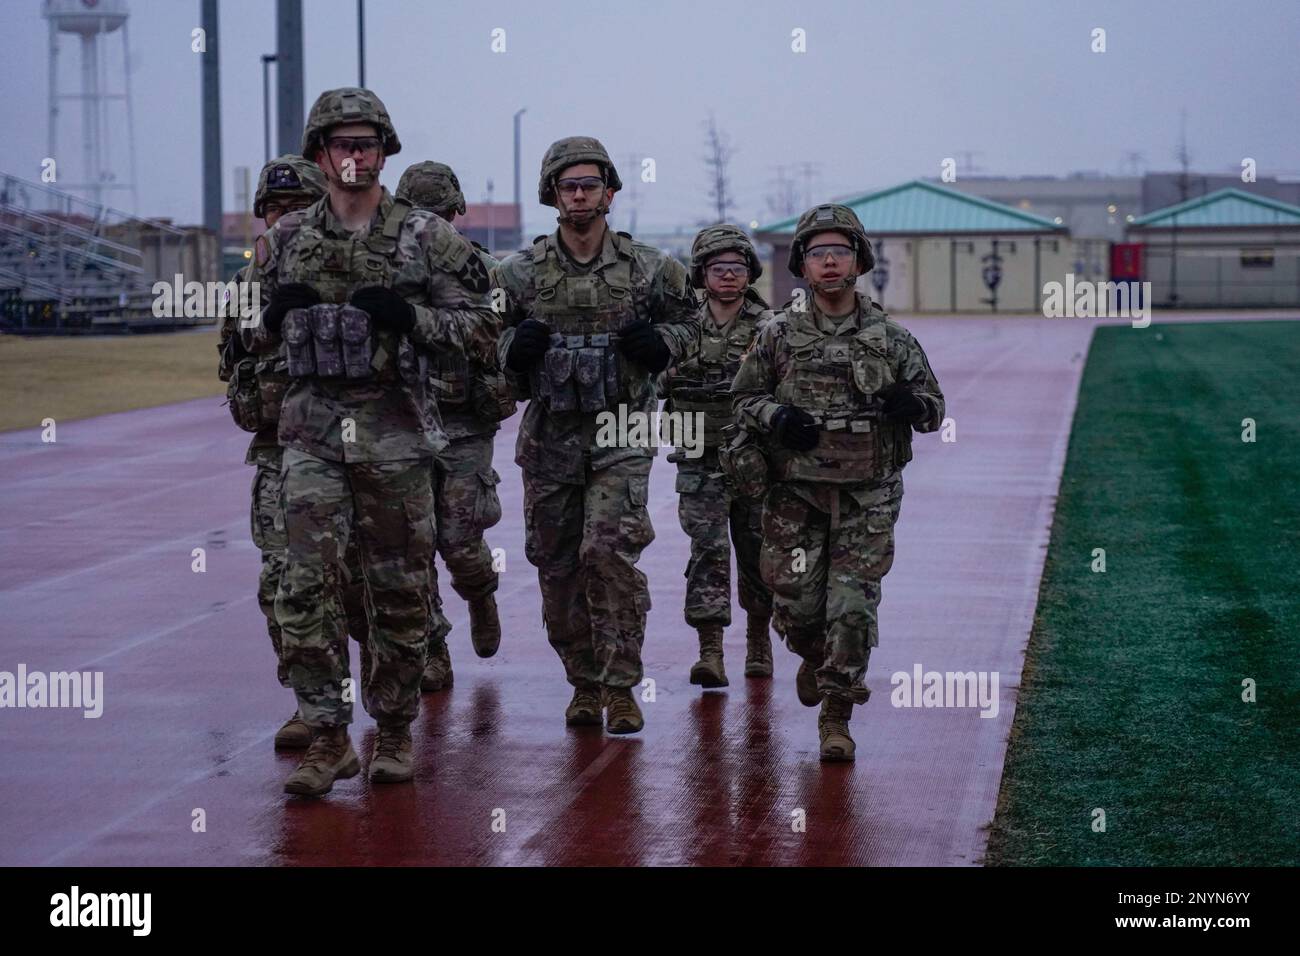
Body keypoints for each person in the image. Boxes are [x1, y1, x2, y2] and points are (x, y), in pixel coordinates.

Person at [245, 88, 498, 796]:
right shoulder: (286, 241)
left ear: (384, 151)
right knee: (303, 586)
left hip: (397, 442)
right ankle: (327, 735)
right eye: (341, 144)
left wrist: (411, 318)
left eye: (367, 144)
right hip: (311, 438)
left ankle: (391, 728)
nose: (354, 156)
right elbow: (242, 331)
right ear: (319, 153)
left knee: (397, 592)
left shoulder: (427, 236)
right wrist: (269, 317)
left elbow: (483, 329)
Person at [493, 136, 699, 734]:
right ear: (552, 195)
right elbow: (478, 336)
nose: (579, 194)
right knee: (556, 566)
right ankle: (582, 681)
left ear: (609, 192)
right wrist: (513, 347)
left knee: (607, 553)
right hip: (550, 434)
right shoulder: (518, 271)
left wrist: (666, 343)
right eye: (568, 185)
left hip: (622, 428)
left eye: (589, 184)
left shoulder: (652, 268)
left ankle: (621, 685)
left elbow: (693, 321)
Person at [731, 203, 944, 761]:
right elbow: (742, 399)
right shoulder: (777, 334)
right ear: (803, 265)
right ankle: (812, 656)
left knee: (852, 607)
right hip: (794, 495)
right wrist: (776, 418)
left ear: (858, 262)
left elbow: (935, 410)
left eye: (840, 252)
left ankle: (836, 716)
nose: (829, 262)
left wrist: (910, 403)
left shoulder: (890, 338)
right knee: (798, 607)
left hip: (866, 495)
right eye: (818, 253)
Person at [217, 154, 331, 751]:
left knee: (370, 588)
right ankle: (313, 704)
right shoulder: (246, 285)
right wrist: (265, 323)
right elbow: (231, 362)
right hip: (276, 454)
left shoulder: (353, 269)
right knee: (282, 583)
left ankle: (397, 707)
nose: (282, 220)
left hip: (354, 455)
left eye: (296, 209)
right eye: (274, 210)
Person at [395, 161, 513, 692]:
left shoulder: (479, 270)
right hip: (404, 427)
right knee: (412, 546)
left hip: (464, 423)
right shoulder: (387, 276)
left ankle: (480, 594)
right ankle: (433, 648)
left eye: (438, 215)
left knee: (460, 540)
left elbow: (494, 337)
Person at [661, 224, 774, 688]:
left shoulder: (771, 327)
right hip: (697, 455)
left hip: (754, 458)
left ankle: (758, 640)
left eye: (737, 267)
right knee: (707, 549)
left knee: (756, 553)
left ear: (749, 274)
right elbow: (653, 379)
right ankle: (710, 651)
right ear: (701, 273)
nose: (728, 276)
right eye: (718, 268)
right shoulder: (680, 327)